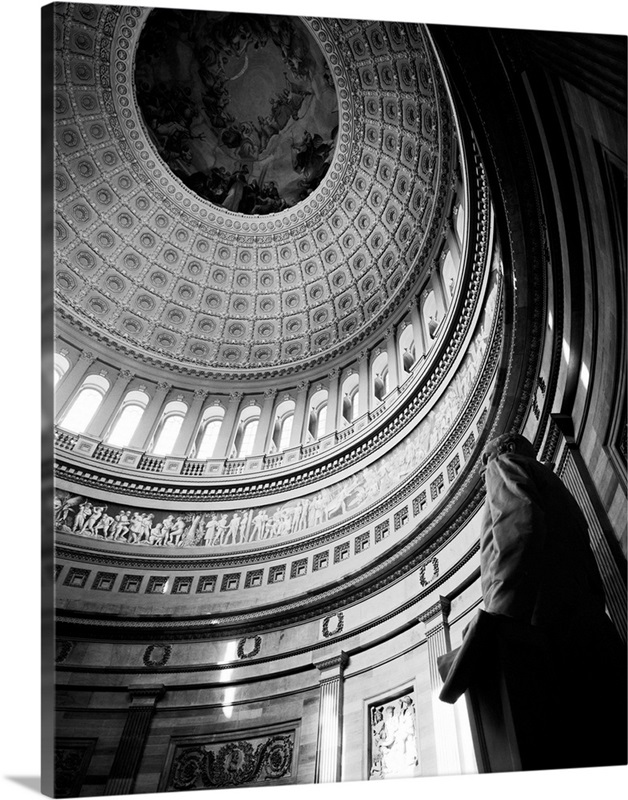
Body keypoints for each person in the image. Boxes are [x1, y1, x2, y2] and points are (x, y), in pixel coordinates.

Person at [466, 431, 626, 769]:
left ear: (503, 452)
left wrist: (498, 625)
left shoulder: (505, 466)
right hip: (594, 632)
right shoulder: (557, 488)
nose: (484, 475)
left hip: (547, 640)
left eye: (484, 464)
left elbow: (519, 529)